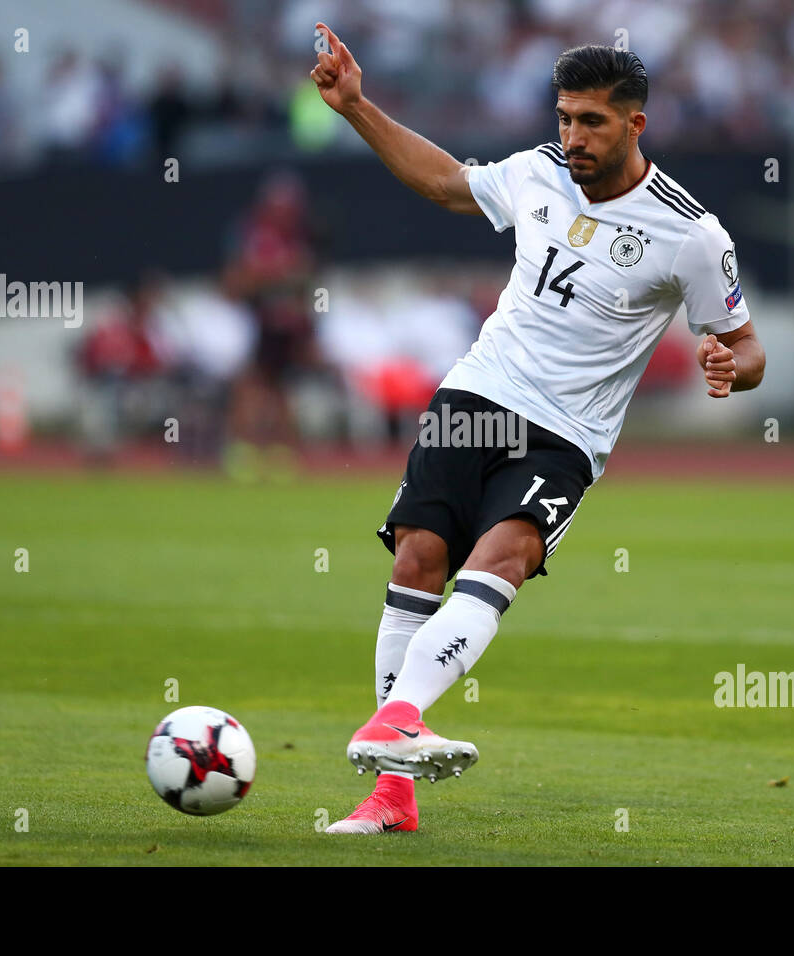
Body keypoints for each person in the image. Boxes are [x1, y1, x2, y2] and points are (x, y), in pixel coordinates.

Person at [310, 22, 765, 834]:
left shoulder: (691, 233)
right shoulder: (535, 172)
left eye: (591, 121)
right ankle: (391, 795)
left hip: (565, 433)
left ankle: (399, 717)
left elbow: (746, 343)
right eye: (564, 117)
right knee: (418, 556)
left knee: (508, 553)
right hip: (478, 393)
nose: (572, 136)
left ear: (635, 124)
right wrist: (355, 108)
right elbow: (445, 181)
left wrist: (732, 367)